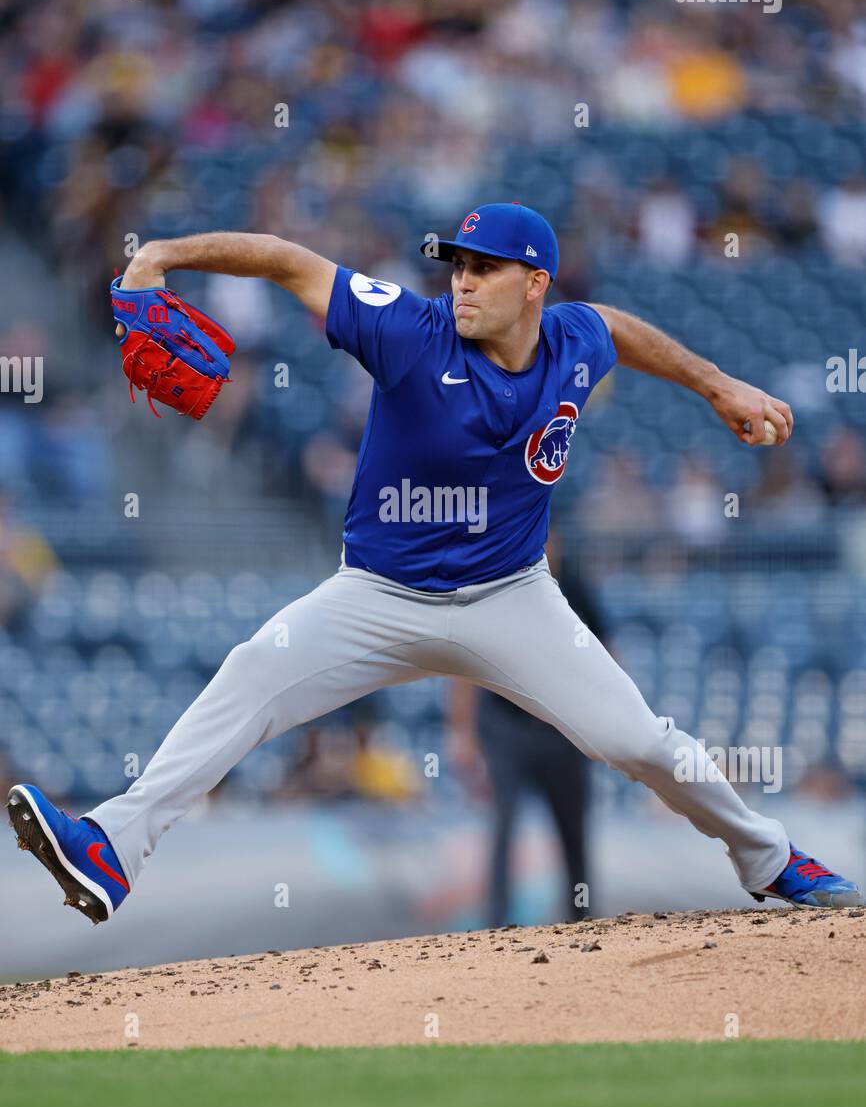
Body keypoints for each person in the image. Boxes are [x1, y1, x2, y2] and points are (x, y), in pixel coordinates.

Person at [8, 204, 860, 922]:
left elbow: (618, 331)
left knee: (639, 740)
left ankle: (770, 859)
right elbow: (283, 259)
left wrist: (717, 386)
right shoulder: (406, 329)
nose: (461, 280)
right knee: (247, 677)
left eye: (484, 269)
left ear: (534, 287)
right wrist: (160, 255)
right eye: (457, 265)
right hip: (376, 595)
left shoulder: (573, 339)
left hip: (511, 600)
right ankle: (113, 846)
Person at [448, 530, 605, 927]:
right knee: (502, 829)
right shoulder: (497, 587)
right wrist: (462, 734)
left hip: (562, 728)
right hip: (508, 727)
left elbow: (607, 656)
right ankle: (496, 925)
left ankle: (582, 920)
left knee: (574, 830)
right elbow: (464, 662)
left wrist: (606, 723)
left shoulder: (574, 588)